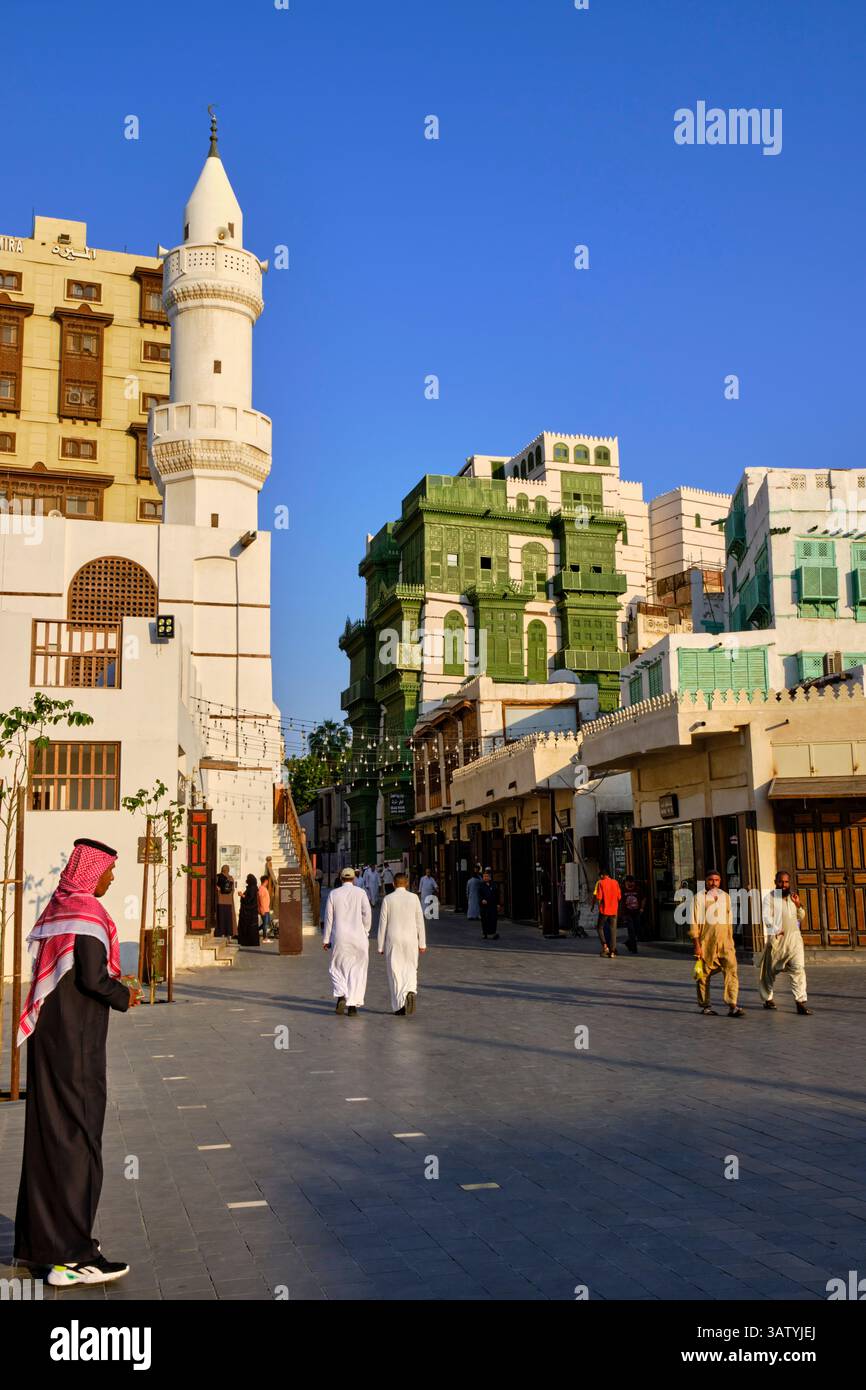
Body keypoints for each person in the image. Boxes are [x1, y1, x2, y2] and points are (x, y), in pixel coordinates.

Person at [14, 839, 136, 1287]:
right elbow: (92, 978)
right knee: (80, 1139)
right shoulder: (85, 915)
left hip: (52, 1043)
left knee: (50, 1137)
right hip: (76, 1049)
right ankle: (73, 1256)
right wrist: (126, 995)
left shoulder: (59, 909)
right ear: (92, 872)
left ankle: (45, 1248)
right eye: (108, 872)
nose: (112, 879)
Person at [690, 868, 744, 1018]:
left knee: (731, 970)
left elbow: (729, 920)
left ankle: (732, 1004)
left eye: (717, 880)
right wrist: (697, 945)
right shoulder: (699, 898)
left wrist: (731, 941)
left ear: (720, 882)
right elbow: (694, 923)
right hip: (706, 943)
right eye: (711, 880)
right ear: (706, 882)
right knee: (703, 975)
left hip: (726, 943)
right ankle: (705, 1005)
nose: (714, 883)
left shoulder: (725, 897)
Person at [759, 870, 812, 1015]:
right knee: (769, 972)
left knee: (799, 969)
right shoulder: (769, 898)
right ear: (775, 882)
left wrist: (798, 904)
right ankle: (768, 998)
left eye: (786, 882)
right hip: (778, 941)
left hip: (794, 941)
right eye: (781, 882)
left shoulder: (792, 897)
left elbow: (801, 917)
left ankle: (800, 1001)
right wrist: (775, 929)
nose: (784, 884)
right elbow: (766, 917)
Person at [323, 866, 372, 1017]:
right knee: (357, 971)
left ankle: (341, 994)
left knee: (336, 968)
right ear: (354, 878)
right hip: (359, 937)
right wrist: (366, 930)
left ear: (341, 878)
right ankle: (352, 1006)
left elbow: (329, 918)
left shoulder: (334, 894)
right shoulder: (361, 893)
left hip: (340, 938)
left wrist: (326, 939)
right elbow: (367, 914)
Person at [377, 872, 427, 1015]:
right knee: (411, 967)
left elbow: (382, 924)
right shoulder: (414, 898)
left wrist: (380, 945)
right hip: (411, 939)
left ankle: (399, 1006)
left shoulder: (388, 899)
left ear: (393, 884)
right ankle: (411, 990)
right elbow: (420, 922)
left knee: (395, 971)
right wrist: (422, 943)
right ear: (406, 883)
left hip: (393, 939)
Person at [594, 868, 622, 957]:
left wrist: (599, 906)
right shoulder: (615, 882)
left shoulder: (601, 883)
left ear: (602, 875)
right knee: (613, 930)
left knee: (599, 927)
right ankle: (613, 951)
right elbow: (619, 897)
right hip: (614, 910)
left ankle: (605, 946)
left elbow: (599, 898)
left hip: (605, 910)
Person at [620, 875, 645, 955]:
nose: (631, 884)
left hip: (636, 912)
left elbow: (643, 898)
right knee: (631, 930)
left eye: (632, 882)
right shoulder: (622, 890)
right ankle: (634, 948)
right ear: (626, 882)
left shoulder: (637, 889)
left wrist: (642, 908)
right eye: (629, 882)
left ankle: (628, 942)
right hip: (627, 913)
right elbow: (619, 900)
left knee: (637, 930)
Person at [237, 873, 260, 947]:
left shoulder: (252, 888)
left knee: (249, 927)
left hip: (249, 913)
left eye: (247, 879)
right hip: (250, 912)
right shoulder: (251, 887)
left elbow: (249, 899)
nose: (246, 880)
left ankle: (248, 941)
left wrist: (242, 895)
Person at [215, 864, 236, 939]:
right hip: (229, 902)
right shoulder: (231, 878)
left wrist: (219, 892)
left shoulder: (218, 877)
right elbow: (233, 890)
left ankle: (221, 933)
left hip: (220, 901)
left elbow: (216, 889)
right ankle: (229, 934)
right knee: (228, 919)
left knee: (221, 918)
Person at [478, 868, 500, 940]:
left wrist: (498, 904)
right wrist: (482, 900)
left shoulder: (494, 885)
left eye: (487, 876)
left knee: (493, 919)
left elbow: (497, 895)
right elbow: (479, 895)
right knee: (484, 919)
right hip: (484, 906)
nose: (485, 878)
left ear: (490, 877)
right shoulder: (481, 885)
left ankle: (493, 933)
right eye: (484, 876)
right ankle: (485, 933)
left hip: (492, 905)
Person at [257, 874, 272, 939]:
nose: (268, 882)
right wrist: (262, 909)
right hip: (264, 909)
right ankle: (265, 937)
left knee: (267, 923)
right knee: (265, 924)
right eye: (267, 881)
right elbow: (260, 899)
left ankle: (255, 930)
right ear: (265, 881)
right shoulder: (261, 889)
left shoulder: (264, 888)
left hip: (266, 909)